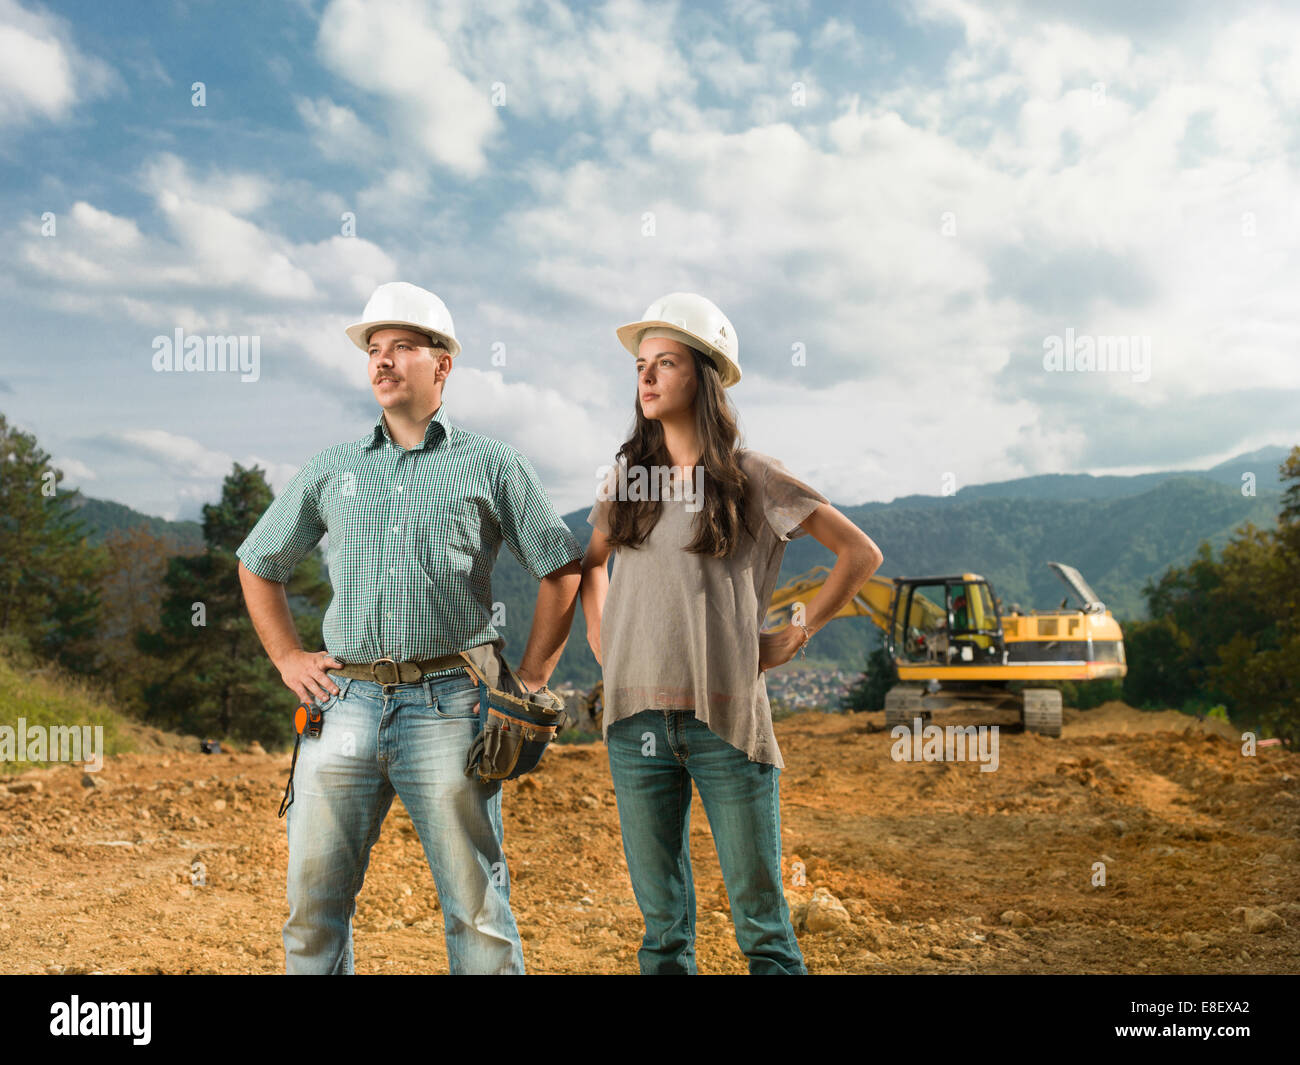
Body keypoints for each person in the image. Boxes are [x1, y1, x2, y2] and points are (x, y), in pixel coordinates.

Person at [236, 281, 582, 974]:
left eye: (402, 347)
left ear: (442, 365)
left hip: (452, 704)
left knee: (477, 913)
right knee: (312, 909)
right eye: (373, 349)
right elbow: (258, 561)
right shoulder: (333, 469)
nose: (383, 361)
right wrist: (286, 656)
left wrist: (535, 676)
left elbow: (562, 564)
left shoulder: (492, 462)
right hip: (343, 704)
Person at [579, 292, 884, 974]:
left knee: (763, 928)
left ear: (705, 375)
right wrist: (603, 637)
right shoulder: (628, 480)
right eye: (641, 366)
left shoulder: (754, 477)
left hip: (727, 723)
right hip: (634, 725)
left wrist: (800, 628)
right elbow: (590, 566)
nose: (648, 377)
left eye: (667, 363)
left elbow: (859, 554)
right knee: (662, 934)